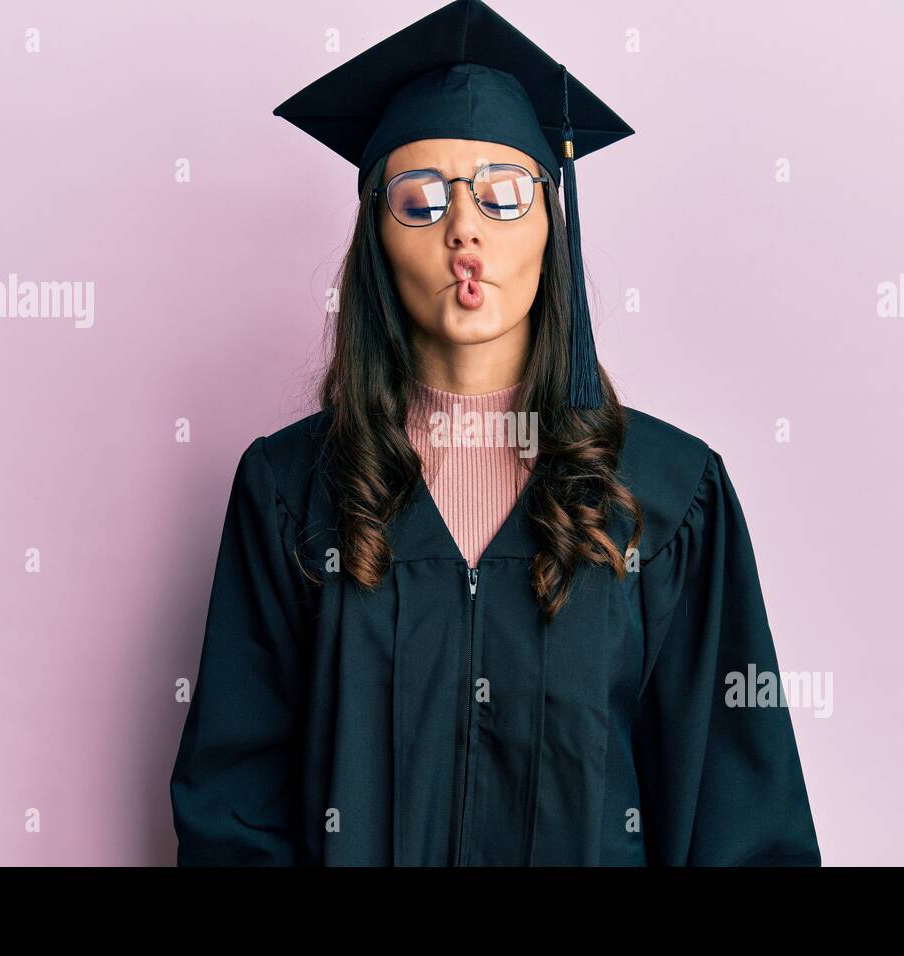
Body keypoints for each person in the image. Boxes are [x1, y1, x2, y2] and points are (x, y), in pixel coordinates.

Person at [169, 0, 822, 866]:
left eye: (503, 194)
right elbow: (234, 817)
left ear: (555, 225)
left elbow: (739, 819)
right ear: (374, 238)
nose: (463, 228)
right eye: (420, 198)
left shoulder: (668, 497)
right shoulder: (292, 491)